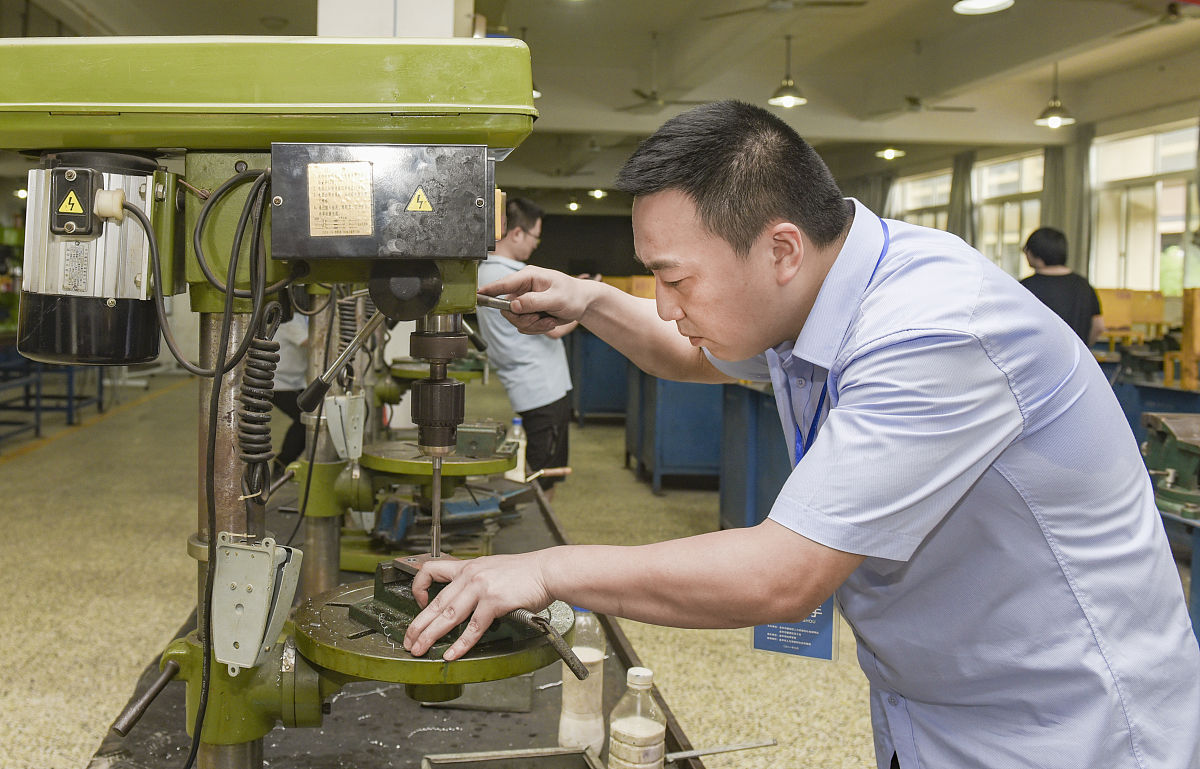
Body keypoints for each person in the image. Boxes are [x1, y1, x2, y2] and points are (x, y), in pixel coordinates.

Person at [404, 101, 1200, 768]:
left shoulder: (932, 332)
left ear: (781, 247)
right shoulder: (818, 291)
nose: (669, 302)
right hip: (937, 705)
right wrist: (591, 299)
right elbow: (684, 348)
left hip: (1068, 728)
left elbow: (783, 575)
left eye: (677, 278)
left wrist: (546, 569)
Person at [476, 197, 574, 500]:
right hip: (544, 390)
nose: (535, 244)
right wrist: (584, 307)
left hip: (526, 387)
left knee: (535, 471)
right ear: (516, 233)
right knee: (544, 479)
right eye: (534, 236)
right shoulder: (517, 278)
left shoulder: (483, 270)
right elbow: (555, 330)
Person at [1020, 226, 1105, 345]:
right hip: (1077, 360)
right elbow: (1099, 326)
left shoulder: (1024, 287)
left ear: (1034, 252)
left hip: (1038, 361)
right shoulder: (1083, 285)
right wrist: (1084, 350)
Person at [272, 311, 308, 469]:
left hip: (297, 381)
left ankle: (288, 462)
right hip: (279, 383)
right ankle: (283, 463)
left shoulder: (302, 316)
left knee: (311, 419)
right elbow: (308, 341)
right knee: (304, 419)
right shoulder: (289, 317)